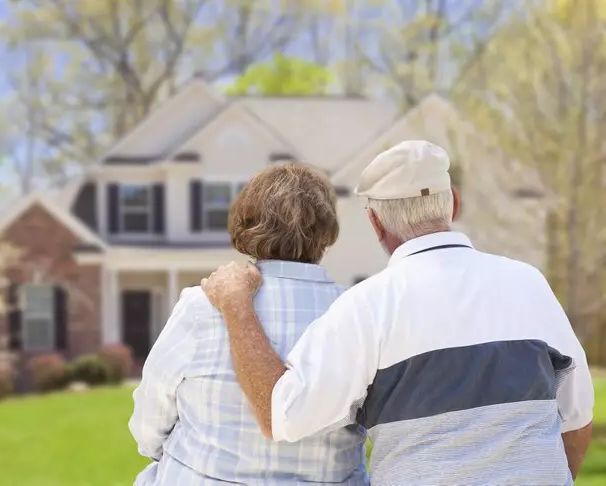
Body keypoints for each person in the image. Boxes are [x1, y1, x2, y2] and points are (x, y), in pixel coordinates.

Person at [200, 140, 595, 486]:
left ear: (375, 222)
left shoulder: (368, 306)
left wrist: (237, 305)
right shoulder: (528, 284)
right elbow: (576, 422)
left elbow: (280, 414)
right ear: (453, 203)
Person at [129, 163, 369, 485]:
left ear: (247, 224)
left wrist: (163, 453)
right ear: (326, 231)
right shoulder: (357, 314)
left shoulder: (201, 306)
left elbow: (152, 413)